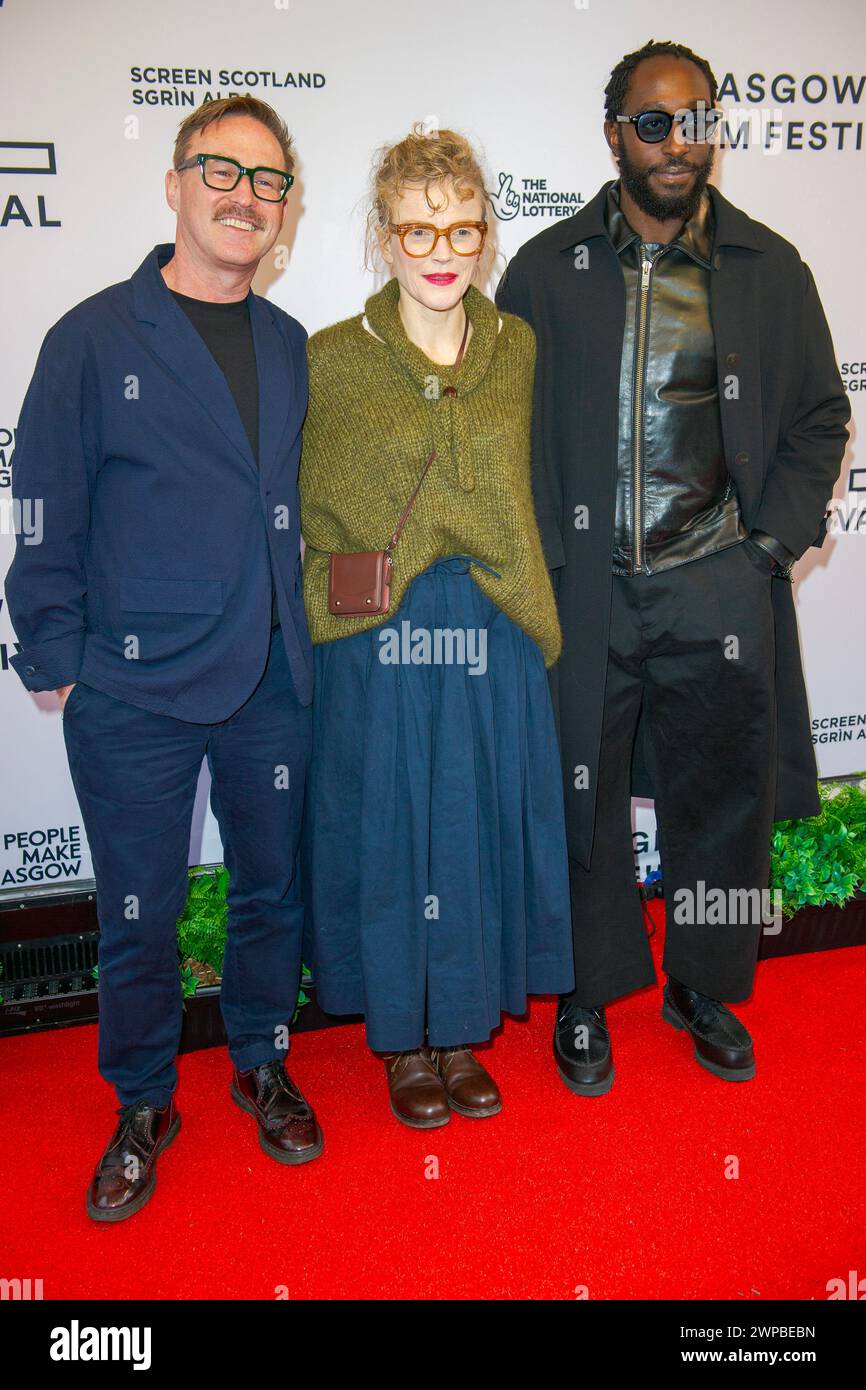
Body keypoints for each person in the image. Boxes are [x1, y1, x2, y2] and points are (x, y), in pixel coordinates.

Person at [495, 41, 850, 1094]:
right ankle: (588, 992)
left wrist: (764, 549)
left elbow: (819, 417)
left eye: (695, 118)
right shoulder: (545, 268)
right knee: (581, 794)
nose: (676, 141)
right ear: (613, 133)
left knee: (720, 798)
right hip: (586, 589)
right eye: (652, 121)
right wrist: (540, 570)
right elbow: (501, 430)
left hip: (713, 583)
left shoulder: (764, 268)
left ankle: (700, 982)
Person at [5, 96, 323, 1222]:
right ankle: (143, 1099)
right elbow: (42, 497)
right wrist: (49, 641)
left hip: (271, 680)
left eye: (268, 180)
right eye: (221, 171)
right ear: (177, 185)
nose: (245, 195)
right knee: (139, 912)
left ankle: (259, 1061)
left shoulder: (290, 345)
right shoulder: (93, 337)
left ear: (284, 211)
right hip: (132, 686)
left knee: (270, 894)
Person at [299, 125, 574, 1128]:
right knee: (392, 831)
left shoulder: (518, 350)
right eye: (417, 232)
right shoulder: (330, 361)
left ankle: (459, 1028)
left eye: (461, 228)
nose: (441, 251)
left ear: (487, 231)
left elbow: (526, 487)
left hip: (493, 629)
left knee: (472, 826)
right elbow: (303, 509)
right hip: (381, 641)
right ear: (382, 235)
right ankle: (404, 1041)